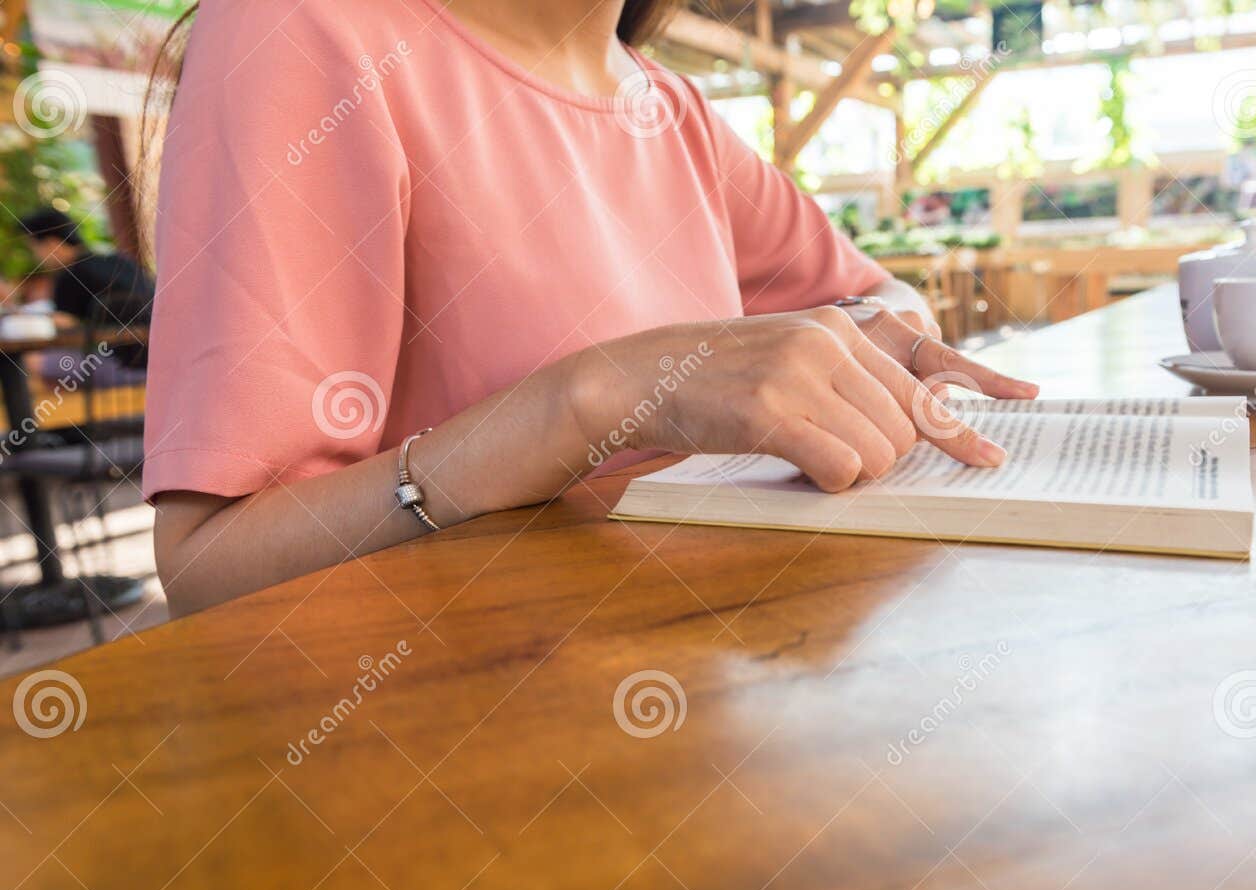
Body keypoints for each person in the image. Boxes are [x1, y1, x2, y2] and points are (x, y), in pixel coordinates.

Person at [144, 0, 1040, 615]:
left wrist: (859, 336)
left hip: (692, 687)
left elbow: (882, 298)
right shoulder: (305, 30)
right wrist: (590, 400)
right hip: (449, 746)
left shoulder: (668, 107)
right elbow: (209, 565)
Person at [18, 208, 155, 371]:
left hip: (121, 365)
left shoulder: (70, 275)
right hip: (156, 356)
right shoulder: (118, 260)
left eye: (34, 248)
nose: (35, 256)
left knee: (29, 360)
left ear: (51, 244)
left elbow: (65, 325)